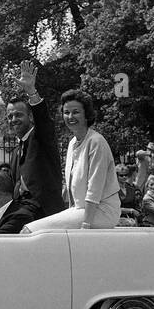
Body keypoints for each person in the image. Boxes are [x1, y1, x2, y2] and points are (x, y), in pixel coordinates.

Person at [23, 89, 120, 231]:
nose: (70, 116)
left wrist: (85, 225)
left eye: (76, 112)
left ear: (87, 114)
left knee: (29, 230)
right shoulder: (72, 143)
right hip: (79, 210)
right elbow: (72, 191)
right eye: (66, 112)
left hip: (101, 211)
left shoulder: (96, 141)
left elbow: (95, 187)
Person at [2, 60, 64, 220]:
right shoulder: (16, 151)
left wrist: (31, 91)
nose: (13, 119)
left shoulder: (41, 137)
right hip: (20, 207)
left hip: (43, 210)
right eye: (10, 116)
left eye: (18, 115)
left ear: (30, 116)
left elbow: (43, 119)